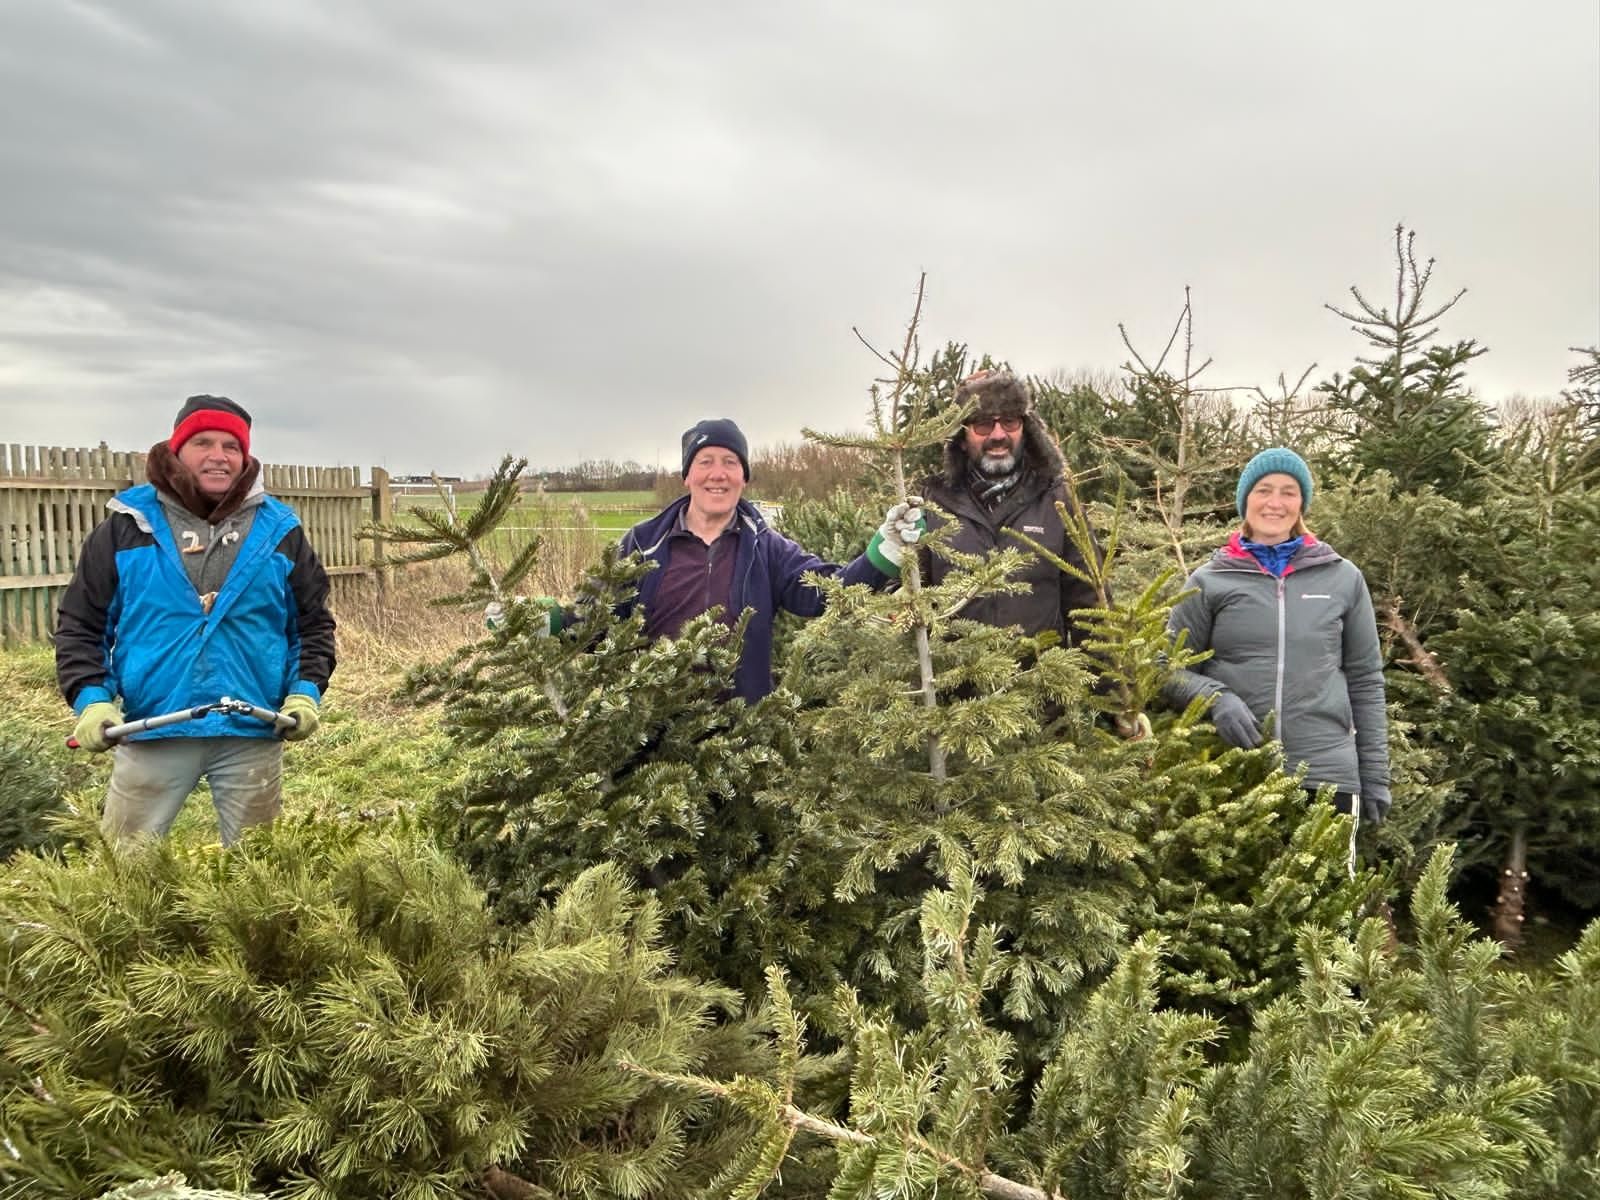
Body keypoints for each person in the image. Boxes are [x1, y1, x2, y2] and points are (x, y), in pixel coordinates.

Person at [55, 395, 336, 846]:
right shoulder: (127, 527)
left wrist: (304, 693)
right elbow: (82, 625)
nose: (218, 456)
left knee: (259, 867)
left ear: (245, 457)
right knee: (124, 864)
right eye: (203, 443)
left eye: (231, 446)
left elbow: (311, 626)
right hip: (152, 726)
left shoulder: (280, 531)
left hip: (252, 729)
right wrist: (92, 700)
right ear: (177, 450)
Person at [1162, 447, 1391, 834]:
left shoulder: (1342, 578)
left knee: (1327, 875)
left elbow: (1365, 679)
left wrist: (1375, 773)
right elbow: (1167, 669)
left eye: (1289, 492)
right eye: (1264, 490)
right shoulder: (1210, 580)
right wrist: (1217, 699)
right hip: (1233, 774)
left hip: (1326, 776)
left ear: (1301, 504)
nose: (1275, 502)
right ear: (1245, 500)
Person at [611, 417, 919, 702]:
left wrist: (881, 555)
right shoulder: (642, 543)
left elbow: (824, 591)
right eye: (705, 462)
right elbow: (599, 618)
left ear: (743, 477)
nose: (718, 474)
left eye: (730, 462)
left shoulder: (768, 548)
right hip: (653, 731)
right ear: (687, 476)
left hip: (744, 731)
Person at [915, 368, 1103, 647]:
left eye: (1010, 422)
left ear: (1025, 430)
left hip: (1042, 673)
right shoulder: (933, 504)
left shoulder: (1057, 500)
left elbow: (1091, 606)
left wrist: (1104, 672)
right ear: (961, 438)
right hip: (955, 675)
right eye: (983, 425)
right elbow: (906, 592)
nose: (998, 434)